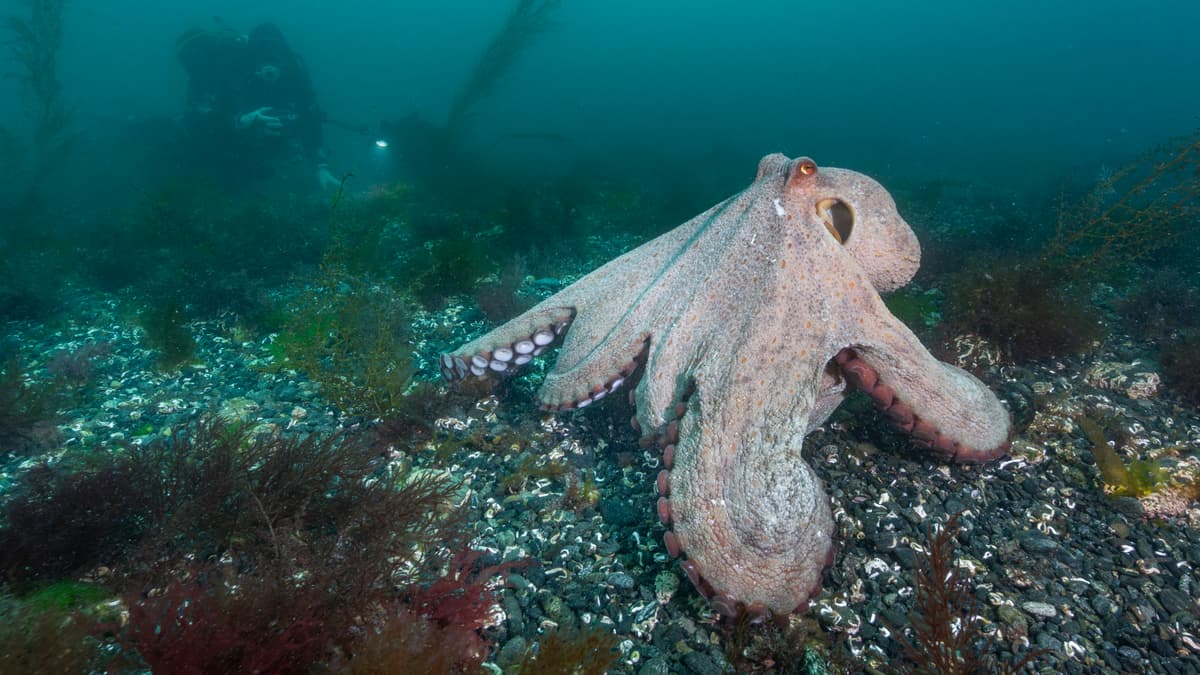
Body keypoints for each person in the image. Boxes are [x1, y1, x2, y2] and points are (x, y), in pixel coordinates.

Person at [175, 22, 339, 191]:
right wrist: (241, 121)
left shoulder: (294, 71)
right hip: (227, 136)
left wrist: (321, 166)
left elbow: (310, 116)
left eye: (275, 54)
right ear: (251, 53)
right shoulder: (234, 69)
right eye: (262, 52)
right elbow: (204, 113)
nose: (269, 64)